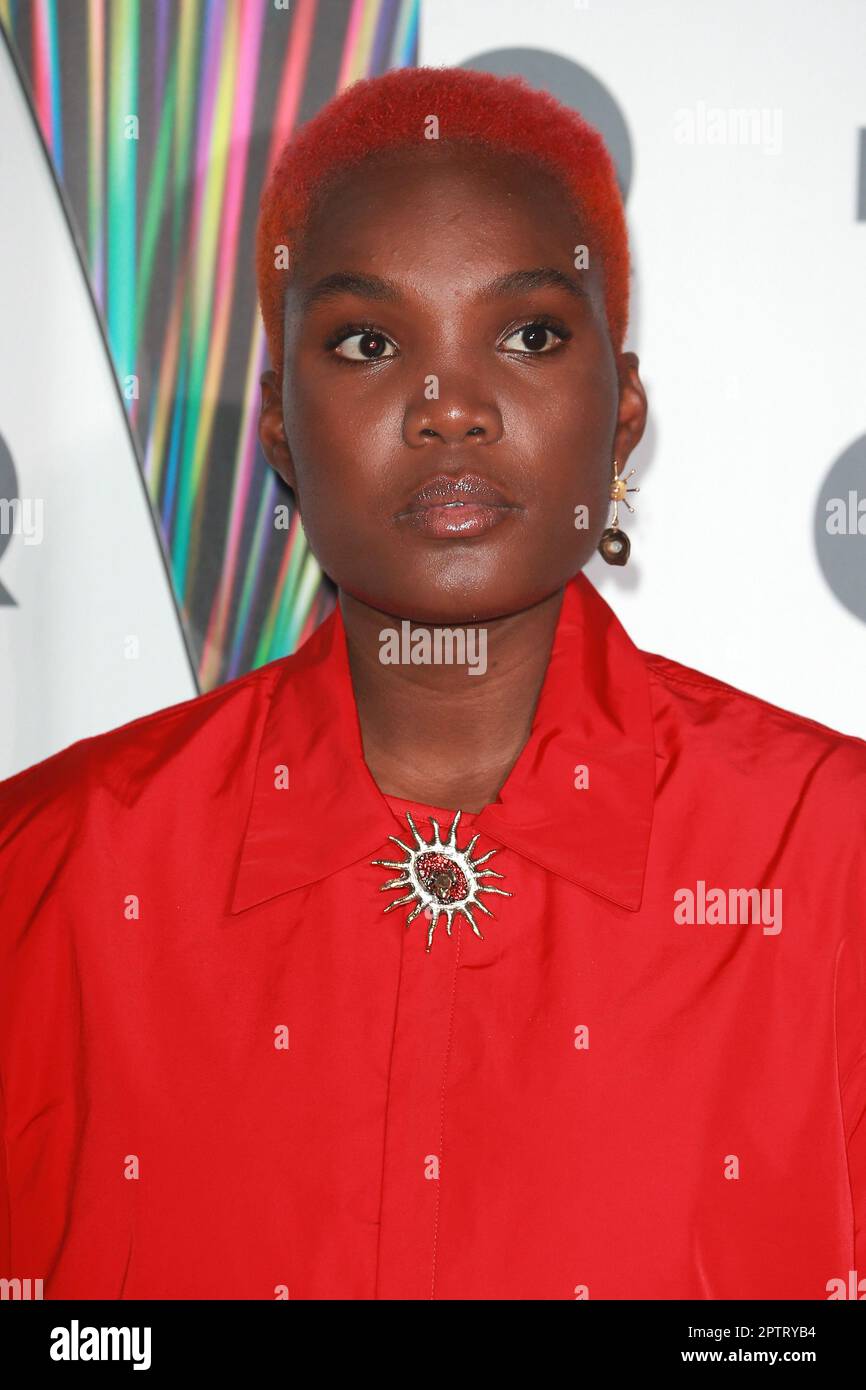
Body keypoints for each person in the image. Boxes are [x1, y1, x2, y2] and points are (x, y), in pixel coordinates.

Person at [1, 65, 865, 1302]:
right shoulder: (44, 882)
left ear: (619, 413)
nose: (449, 407)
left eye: (526, 334)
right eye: (366, 340)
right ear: (281, 429)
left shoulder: (829, 861)